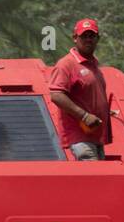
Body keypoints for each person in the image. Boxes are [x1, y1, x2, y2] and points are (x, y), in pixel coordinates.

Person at [48, 18, 112, 161]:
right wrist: (84, 116)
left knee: (100, 178)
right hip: (80, 136)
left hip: (95, 136)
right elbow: (56, 95)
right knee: (94, 178)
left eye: (92, 36)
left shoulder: (93, 65)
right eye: (84, 36)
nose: (88, 39)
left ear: (98, 39)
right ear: (75, 38)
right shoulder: (67, 64)